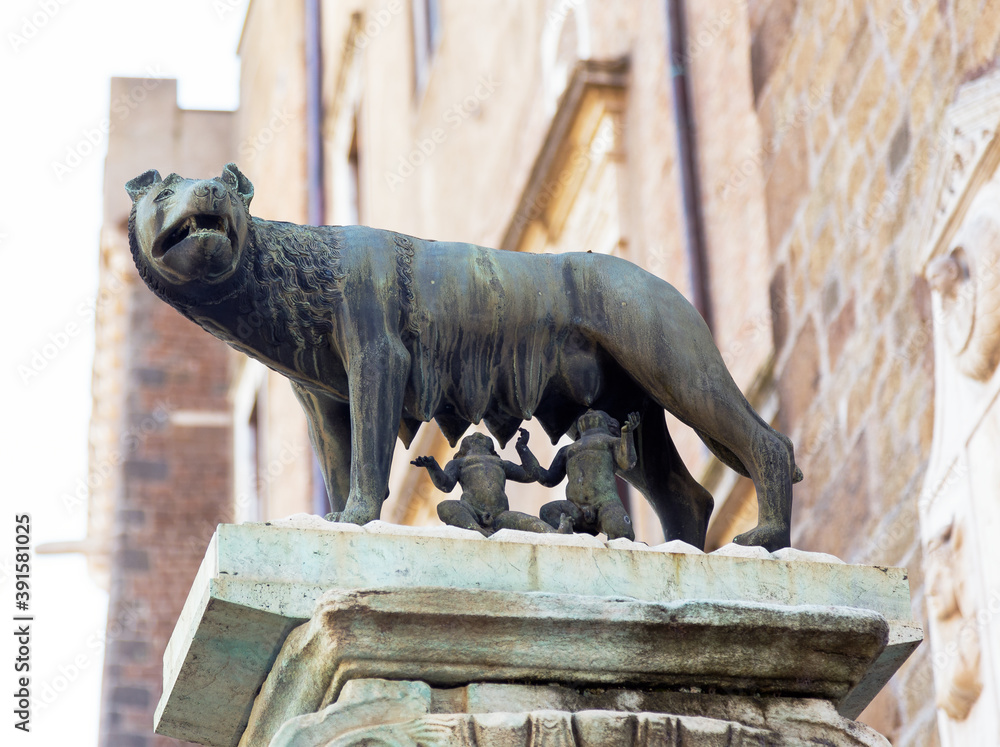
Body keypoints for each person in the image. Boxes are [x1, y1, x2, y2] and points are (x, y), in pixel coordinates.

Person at [412, 429, 571, 536]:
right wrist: (432, 467)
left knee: (528, 521)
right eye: (472, 438)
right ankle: (477, 531)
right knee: (445, 507)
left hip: (501, 515)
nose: (477, 436)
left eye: (481, 437)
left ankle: (555, 533)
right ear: (463, 449)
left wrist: (522, 447)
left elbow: (531, 474)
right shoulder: (459, 463)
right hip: (473, 512)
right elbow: (445, 485)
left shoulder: (500, 463)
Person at [528, 410, 638, 541]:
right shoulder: (567, 450)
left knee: (621, 532)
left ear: (609, 423)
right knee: (548, 512)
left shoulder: (610, 441)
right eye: (586, 414)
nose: (589, 412)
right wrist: (525, 452)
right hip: (575, 510)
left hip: (605, 505)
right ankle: (566, 539)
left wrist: (627, 434)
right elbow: (549, 478)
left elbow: (627, 463)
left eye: (596, 412)